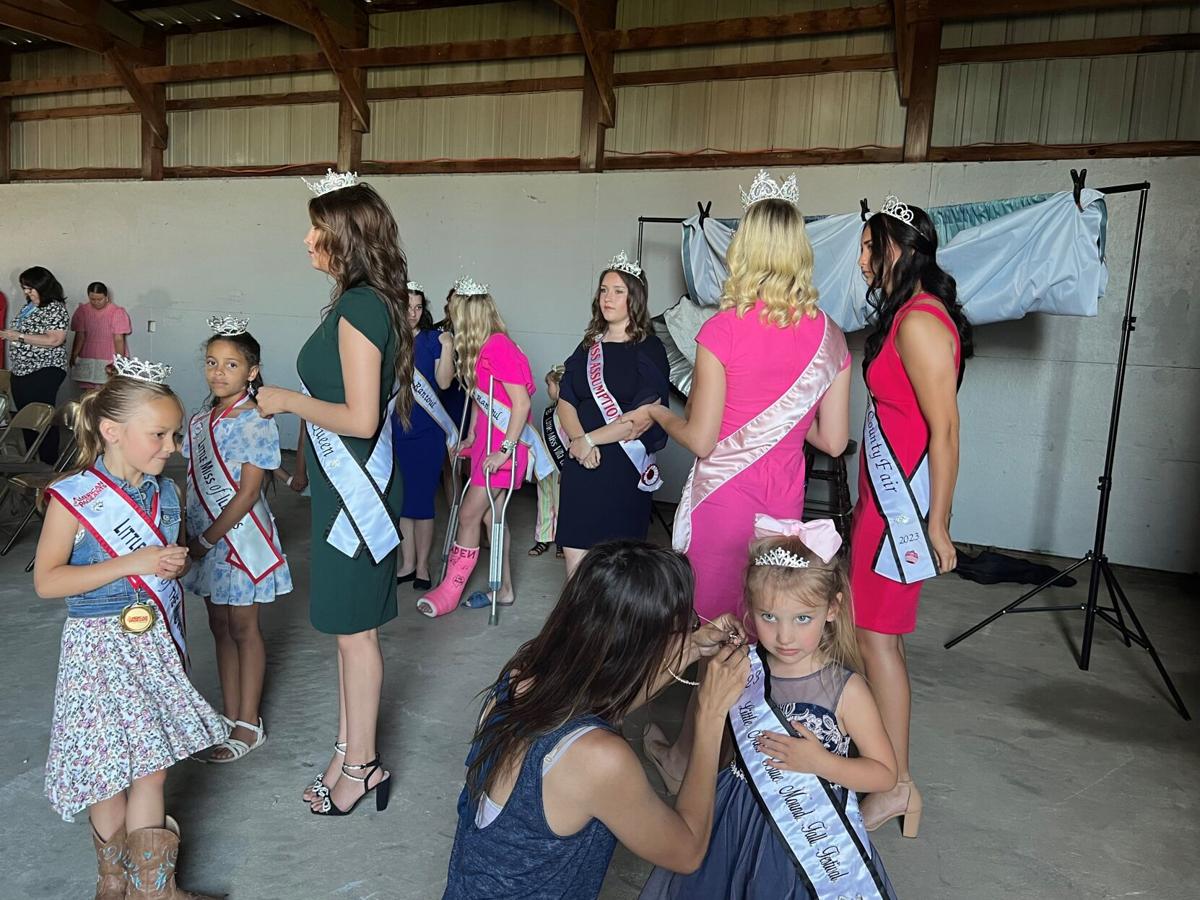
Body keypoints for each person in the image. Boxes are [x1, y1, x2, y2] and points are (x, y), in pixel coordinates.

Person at [624, 171, 851, 788]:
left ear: (743, 250)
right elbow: (833, 441)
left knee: (716, 635)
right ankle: (725, 759)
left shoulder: (721, 330)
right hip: (782, 505)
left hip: (724, 503)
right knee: (759, 631)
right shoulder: (830, 337)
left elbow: (701, 439)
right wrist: (786, 422)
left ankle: (692, 762)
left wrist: (658, 414)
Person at [442, 541, 750, 900]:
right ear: (639, 649)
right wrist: (710, 713)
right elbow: (687, 850)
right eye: (684, 625)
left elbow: (606, 700)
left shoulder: (522, 677)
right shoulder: (599, 758)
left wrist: (693, 646)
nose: (690, 629)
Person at [33, 359, 227, 900]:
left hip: (151, 644)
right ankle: (112, 882)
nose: (172, 447)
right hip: (97, 649)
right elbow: (47, 581)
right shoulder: (73, 496)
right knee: (107, 773)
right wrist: (134, 563)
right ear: (112, 431)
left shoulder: (167, 494)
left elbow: (164, 562)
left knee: (152, 767)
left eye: (174, 434)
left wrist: (171, 565)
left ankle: (153, 889)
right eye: (158, 435)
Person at [255, 172, 414, 817]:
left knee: (356, 634)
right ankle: (346, 748)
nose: (306, 239)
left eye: (316, 228)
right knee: (350, 631)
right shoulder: (359, 302)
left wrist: (285, 401)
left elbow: (361, 419)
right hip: (339, 483)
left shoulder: (361, 308)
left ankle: (363, 766)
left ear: (344, 237)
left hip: (357, 491)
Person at [640, 518, 899, 899]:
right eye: (769, 617)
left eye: (803, 618)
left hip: (812, 834)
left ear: (832, 608)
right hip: (735, 817)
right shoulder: (742, 667)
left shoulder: (847, 690)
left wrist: (822, 763)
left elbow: (885, 775)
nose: (785, 636)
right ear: (749, 607)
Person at [850, 196, 972, 837]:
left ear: (894, 248)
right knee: (878, 641)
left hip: (899, 514)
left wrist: (938, 523)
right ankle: (893, 779)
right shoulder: (905, 316)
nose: (862, 261)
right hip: (877, 506)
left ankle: (896, 786)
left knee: (879, 645)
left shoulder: (921, 322)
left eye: (868, 247)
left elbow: (946, 430)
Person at [183, 318, 293, 763]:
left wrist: (205, 541)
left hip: (238, 541)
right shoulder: (199, 421)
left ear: (252, 371)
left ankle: (249, 723)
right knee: (218, 626)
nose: (218, 372)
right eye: (212, 362)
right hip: (205, 536)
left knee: (244, 628)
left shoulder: (256, 421)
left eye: (231, 364)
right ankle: (228, 716)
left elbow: (248, 494)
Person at [417, 278, 551, 615]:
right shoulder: (478, 348)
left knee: (468, 514)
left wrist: (504, 451)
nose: (451, 319)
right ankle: (503, 589)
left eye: (455, 312)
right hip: (486, 445)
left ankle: (450, 590)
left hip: (504, 448)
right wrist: (472, 437)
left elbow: (521, 404)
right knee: (493, 519)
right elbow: (481, 400)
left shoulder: (499, 347)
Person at [555, 252, 670, 576]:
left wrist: (589, 440)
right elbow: (566, 399)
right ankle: (578, 611)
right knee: (575, 552)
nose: (608, 298)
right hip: (582, 461)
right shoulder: (588, 346)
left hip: (622, 466)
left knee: (618, 563)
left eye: (618, 291)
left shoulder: (649, 349)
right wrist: (578, 440)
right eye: (604, 290)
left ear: (635, 298)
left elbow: (641, 418)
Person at [393, 281, 456, 591]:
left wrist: (447, 346)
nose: (413, 313)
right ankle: (407, 563)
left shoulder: (432, 339)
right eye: (408, 307)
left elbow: (444, 384)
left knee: (422, 501)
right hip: (395, 429)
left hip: (428, 431)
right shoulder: (389, 339)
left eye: (418, 307)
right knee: (403, 501)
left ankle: (422, 566)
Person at [0, 266, 71, 463]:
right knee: (26, 417)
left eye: (30, 288)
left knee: (41, 415)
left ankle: (49, 461)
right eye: (24, 288)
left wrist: (18, 336)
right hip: (22, 370)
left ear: (43, 287)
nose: (26, 292)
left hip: (44, 369)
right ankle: (32, 458)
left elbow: (54, 339)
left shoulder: (55, 308)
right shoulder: (30, 306)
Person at [528, 365, 565, 559]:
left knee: (561, 503)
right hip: (546, 466)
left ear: (560, 387)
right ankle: (543, 537)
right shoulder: (549, 412)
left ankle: (562, 540)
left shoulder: (571, 413)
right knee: (544, 500)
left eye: (549, 384)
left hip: (562, 467)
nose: (547, 389)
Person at [69, 281, 132, 390]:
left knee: (107, 388)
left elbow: (118, 339)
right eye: (92, 299)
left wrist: (120, 361)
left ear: (106, 297)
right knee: (88, 390)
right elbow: (80, 336)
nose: (96, 302)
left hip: (109, 354)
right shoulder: (82, 311)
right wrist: (74, 354)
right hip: (88, 353)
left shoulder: (116, 312)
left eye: (99, 299)